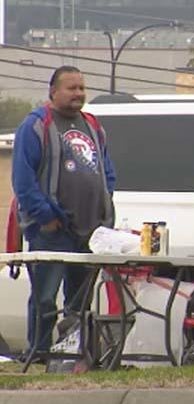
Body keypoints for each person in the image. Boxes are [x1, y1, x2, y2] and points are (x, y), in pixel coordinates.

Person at [12, 65, 116, 356]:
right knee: (45, 299)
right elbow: (23, 180)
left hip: (90, 231)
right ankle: (40, 353)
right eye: (71, 88)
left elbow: (107, 170)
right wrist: (46, 217)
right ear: (53, 91)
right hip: (52, 232)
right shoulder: (36, 125)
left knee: (79, 303)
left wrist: (106, 203)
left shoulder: (93, 125)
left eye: (82, 88)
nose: (78, 94)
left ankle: (70, 356)